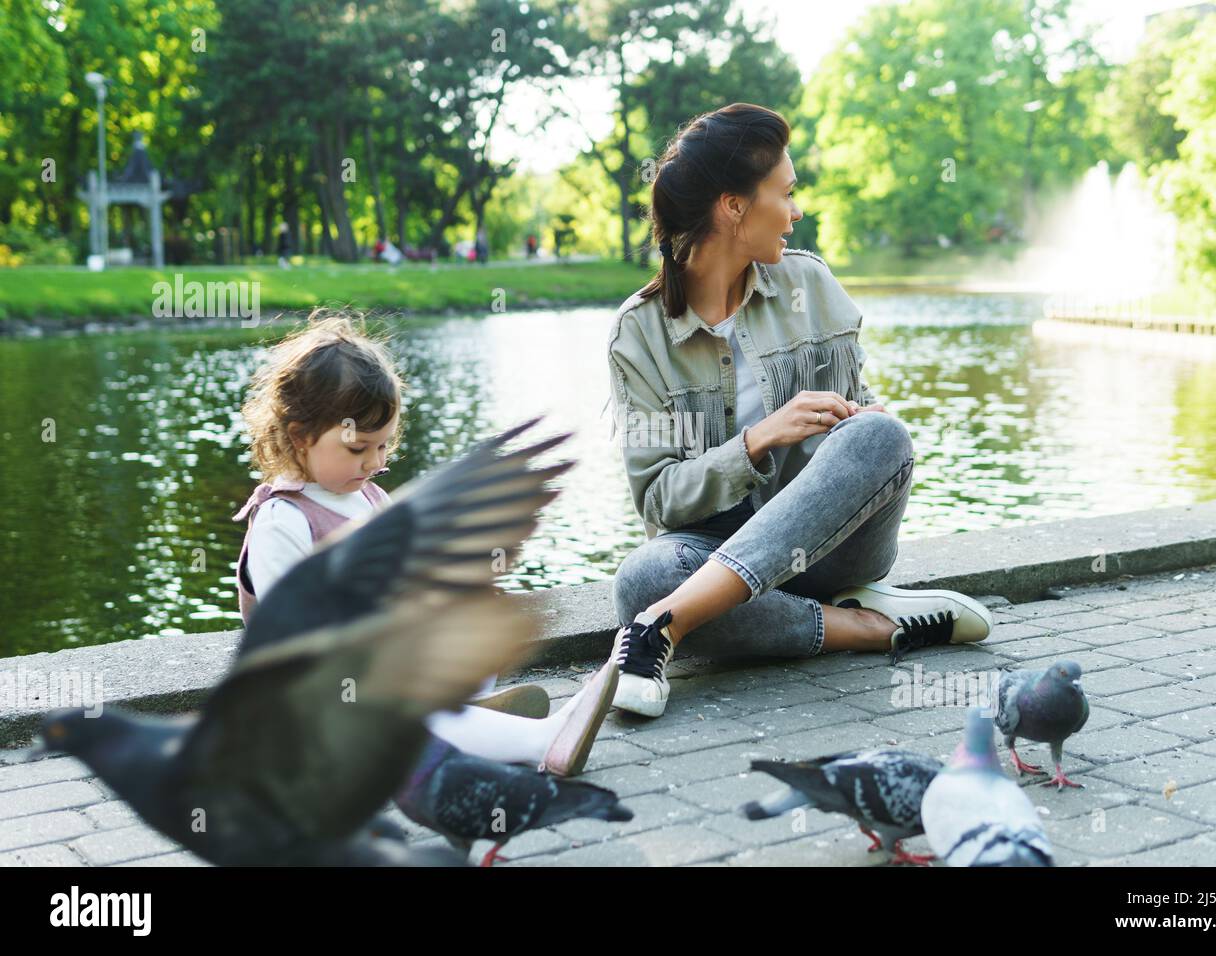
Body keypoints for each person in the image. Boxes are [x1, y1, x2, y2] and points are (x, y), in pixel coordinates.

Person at [605, 103, 993, 719]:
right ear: (733, 206)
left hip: (830, 553)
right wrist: (756, 441)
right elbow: (658, 501)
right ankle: (868, 627)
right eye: (785, 193)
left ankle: (664, 626)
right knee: (640, 580)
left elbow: (861, 431)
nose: (798, 210)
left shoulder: (809, 286)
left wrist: (862, 420)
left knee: (882, 436)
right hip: (707, 549)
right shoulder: (640, 334)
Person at [233, 310, 616, 773]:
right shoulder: (282, 520)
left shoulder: (366, 496)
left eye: (384, 446)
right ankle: (541, 741)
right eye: (358, 449)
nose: (374, 461)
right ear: (300, 437)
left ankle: (465, 717)